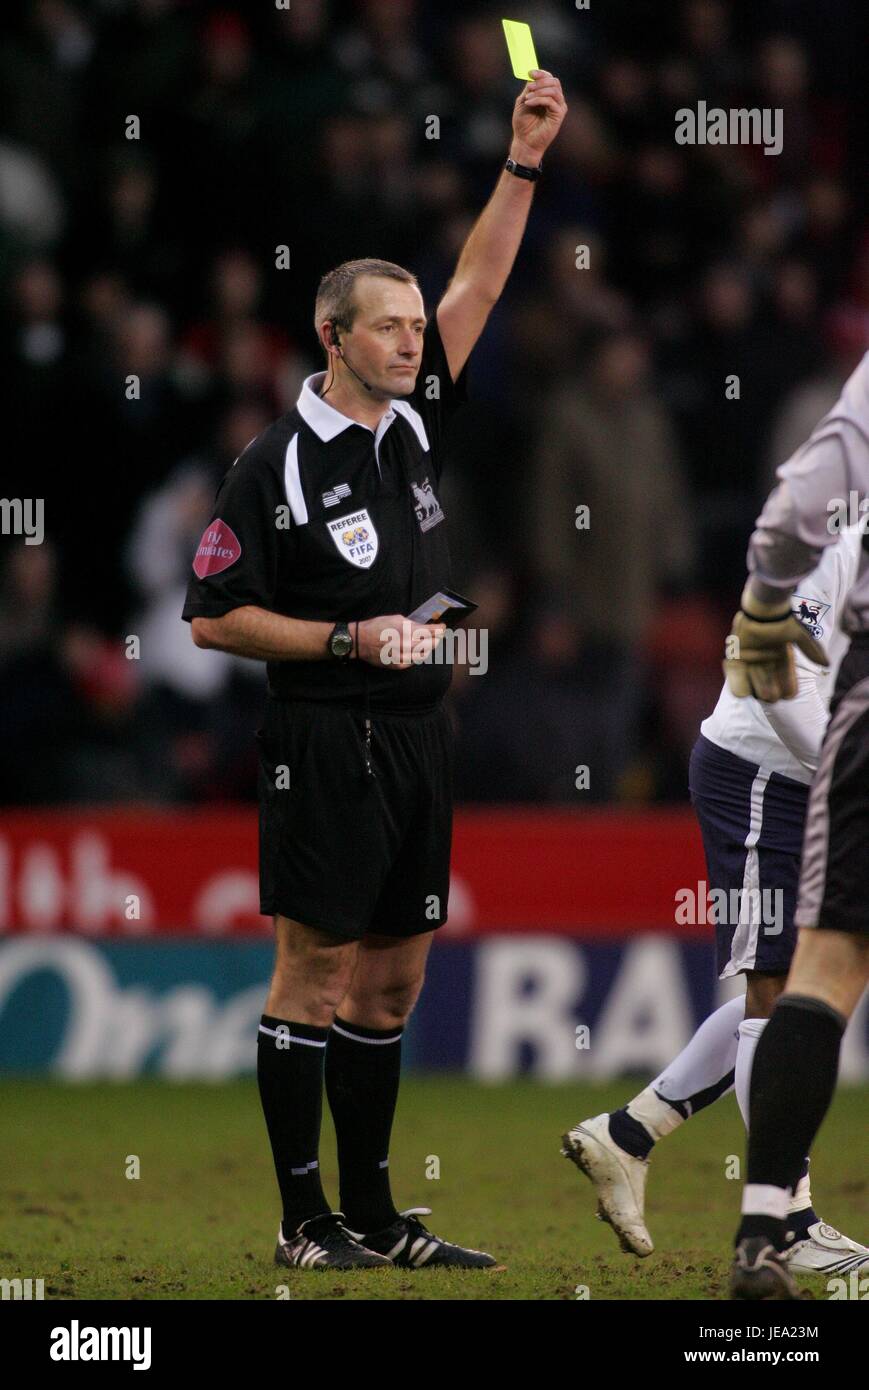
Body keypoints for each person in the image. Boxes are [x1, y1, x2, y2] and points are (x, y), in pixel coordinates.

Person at [182, 72, 567, 1270]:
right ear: (331, 337)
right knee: (314, 971)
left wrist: (522, 161)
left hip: (416, 737)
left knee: (390, 987)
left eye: (416, 324)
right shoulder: (276, 462)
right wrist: (343, 638)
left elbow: (484, 281)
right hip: (321, 737)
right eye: (389, 326)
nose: (415, 338)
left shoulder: (410, 421)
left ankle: (378, 1219)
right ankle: (304, 1227)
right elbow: (211, 618)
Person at [561, 528, 867, 1277]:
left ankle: (629, 1133)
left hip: (818, 779)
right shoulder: (845, 547)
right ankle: (785, 1220)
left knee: (815, 983)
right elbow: (773, 669)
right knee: (773, 989)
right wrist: (842, 768)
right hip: (761, 771)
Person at [722, 350, 869, 1300]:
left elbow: (796, 508)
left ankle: (763, 1231)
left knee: (818, 968)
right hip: (759, 751)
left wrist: (762, 607)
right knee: (773, 974)